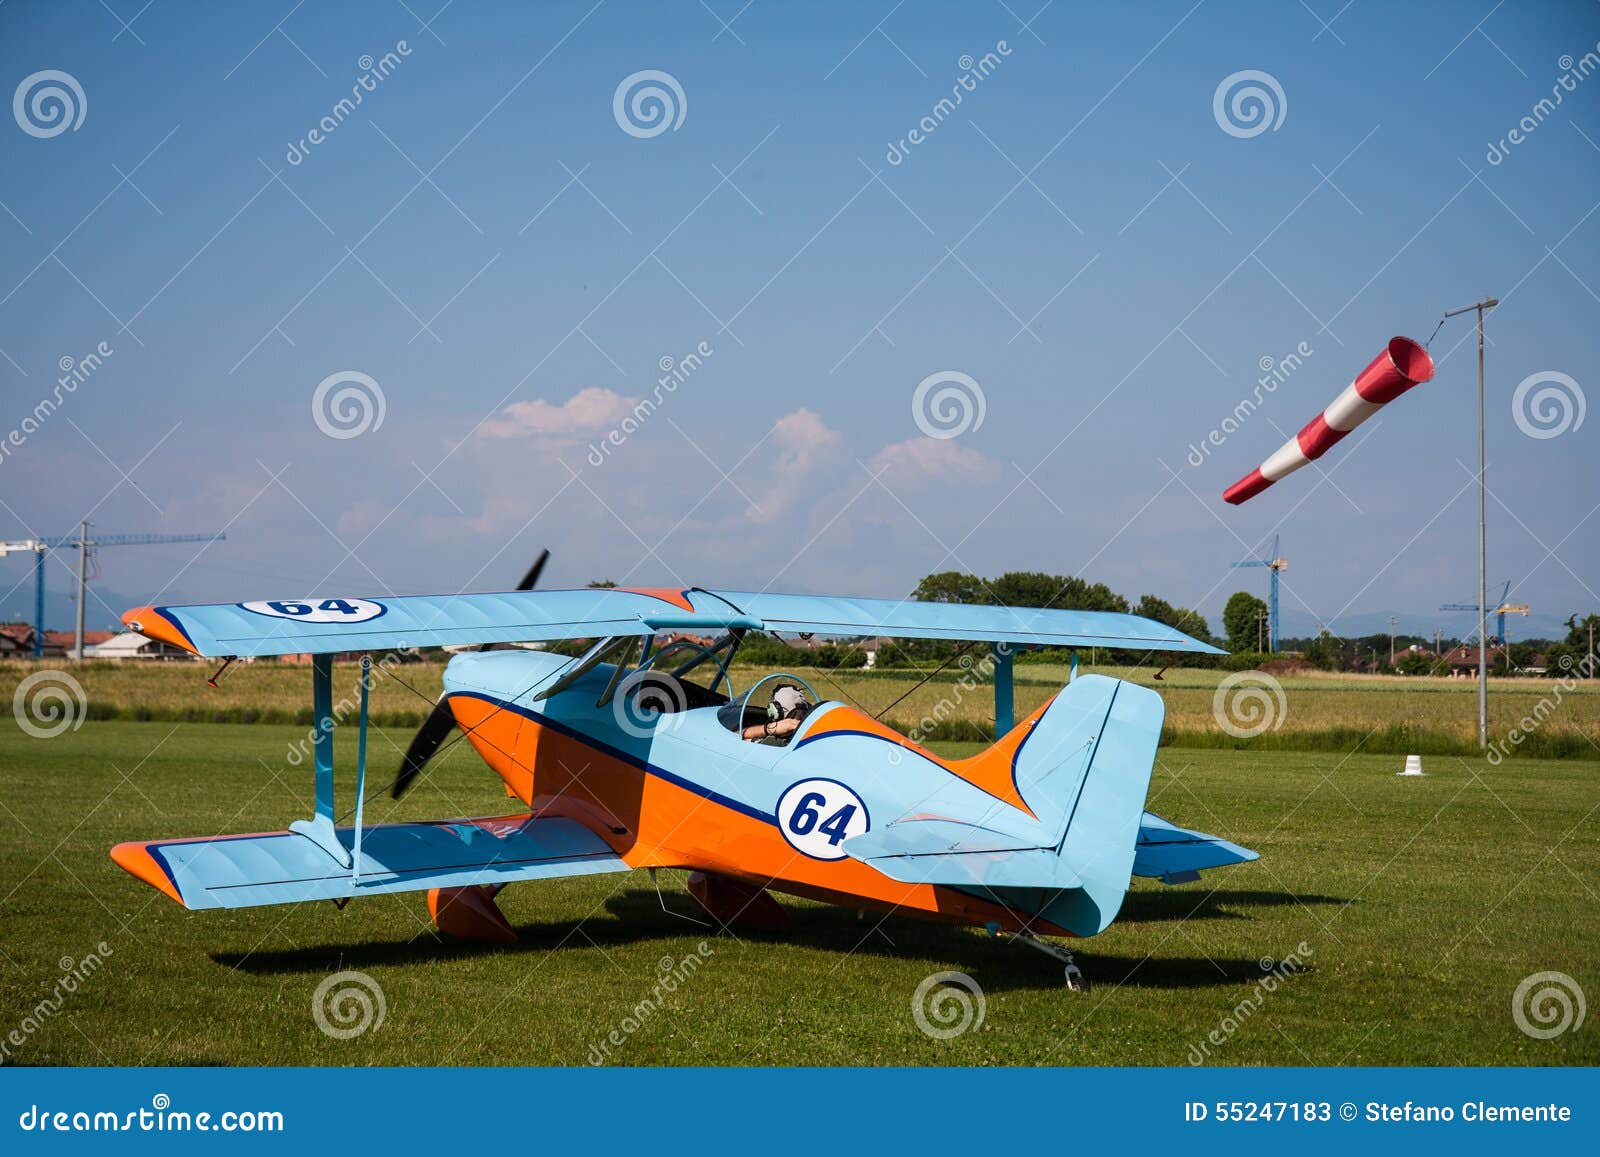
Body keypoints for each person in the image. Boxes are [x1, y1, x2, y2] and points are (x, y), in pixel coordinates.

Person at [719, 684, 812, 744]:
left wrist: (770, 728)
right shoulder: (812, 729)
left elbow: (734, 735)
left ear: (775, 710)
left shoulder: (774, 743)